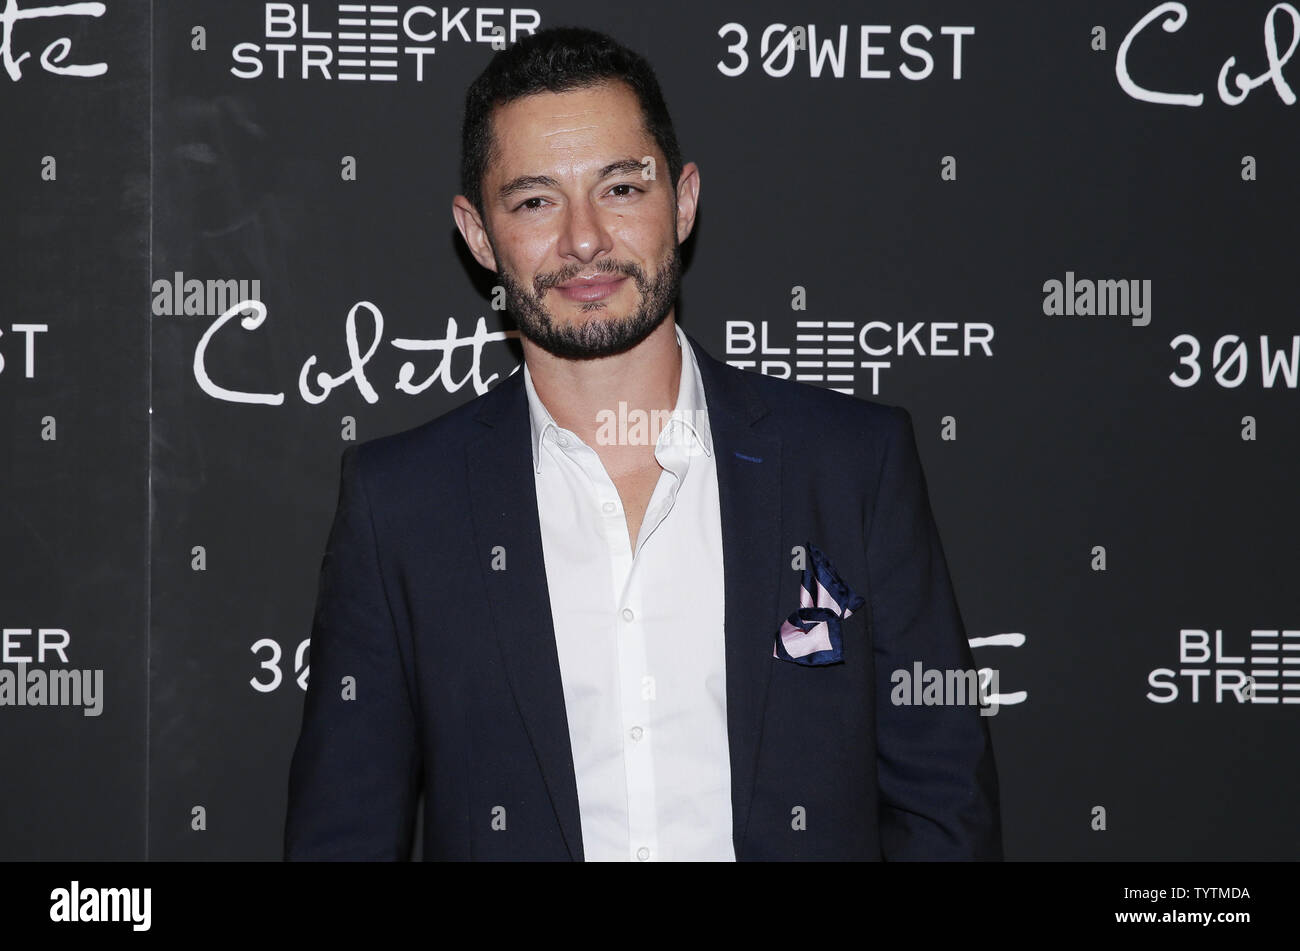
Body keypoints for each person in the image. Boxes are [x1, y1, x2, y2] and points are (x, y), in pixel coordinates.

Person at [285, 25, 1002, 861]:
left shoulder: (852, 463)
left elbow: (943, 808)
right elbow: (345, 836)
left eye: (621, 188)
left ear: (683, 199)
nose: (584, 239)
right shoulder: (400, 503)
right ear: (479, 236)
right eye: (535, 200)